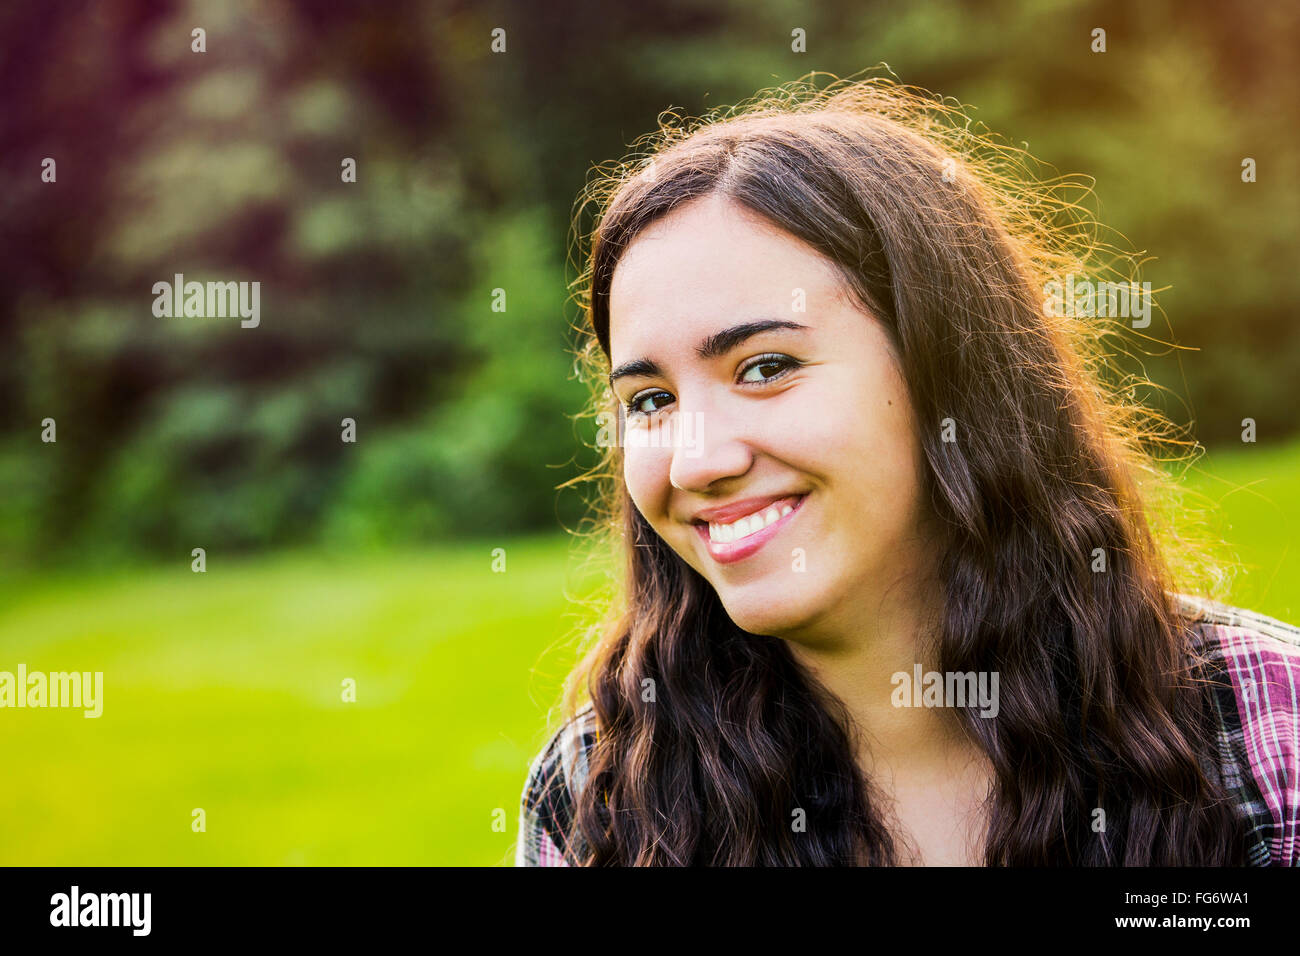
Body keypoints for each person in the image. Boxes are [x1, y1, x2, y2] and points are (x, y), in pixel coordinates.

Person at [515, 75, 1300, 866]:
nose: (696, 460)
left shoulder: (1271, 730)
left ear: (945, 372)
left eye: (765, 367)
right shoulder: (598, 800)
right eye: (650, 399)